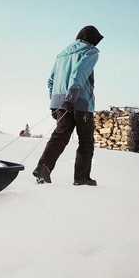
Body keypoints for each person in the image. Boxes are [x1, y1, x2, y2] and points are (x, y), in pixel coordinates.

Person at [33, 26, 103, 186]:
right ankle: (81, 178)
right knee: (86, 141)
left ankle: (43, 168)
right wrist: (73, 93)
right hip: (80, 102)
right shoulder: (90, 51)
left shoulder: (62, 55)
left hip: (59, 101)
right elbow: (79, 72)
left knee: (60, 136)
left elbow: (50, 80)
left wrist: (54, 102)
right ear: (92, 39)